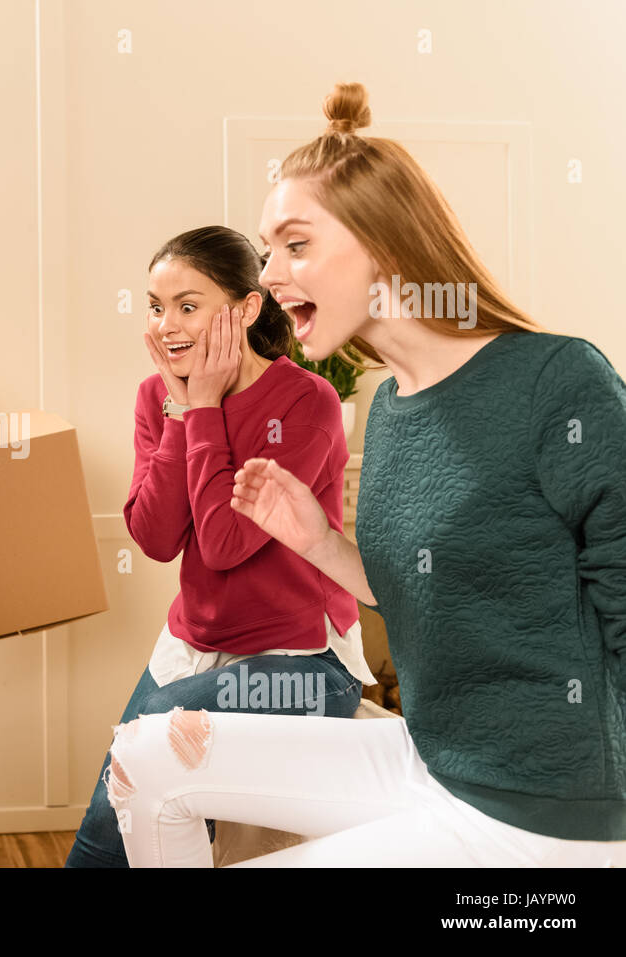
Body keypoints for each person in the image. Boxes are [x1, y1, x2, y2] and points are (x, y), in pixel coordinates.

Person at [106, 82, 626, 866]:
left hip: (542, 809)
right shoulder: (391, 406)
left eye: (296, 244)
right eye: (266, 248)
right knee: (142, 762)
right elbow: (416, 593)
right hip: (434, 757)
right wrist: (316, 542)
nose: (271, 274)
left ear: (384, 244)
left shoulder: (557, 381)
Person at [64, 225, 375, 868]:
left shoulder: (304, 400)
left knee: (147, 758)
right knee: (107, 825)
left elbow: (226, 543)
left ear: (247, 308)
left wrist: (201, 410)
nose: (167, 325)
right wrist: (182, 412)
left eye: (188, 304)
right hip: (194, 648)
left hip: (301, 658)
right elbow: (154, 537)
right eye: (155, 306)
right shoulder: (158, 395)